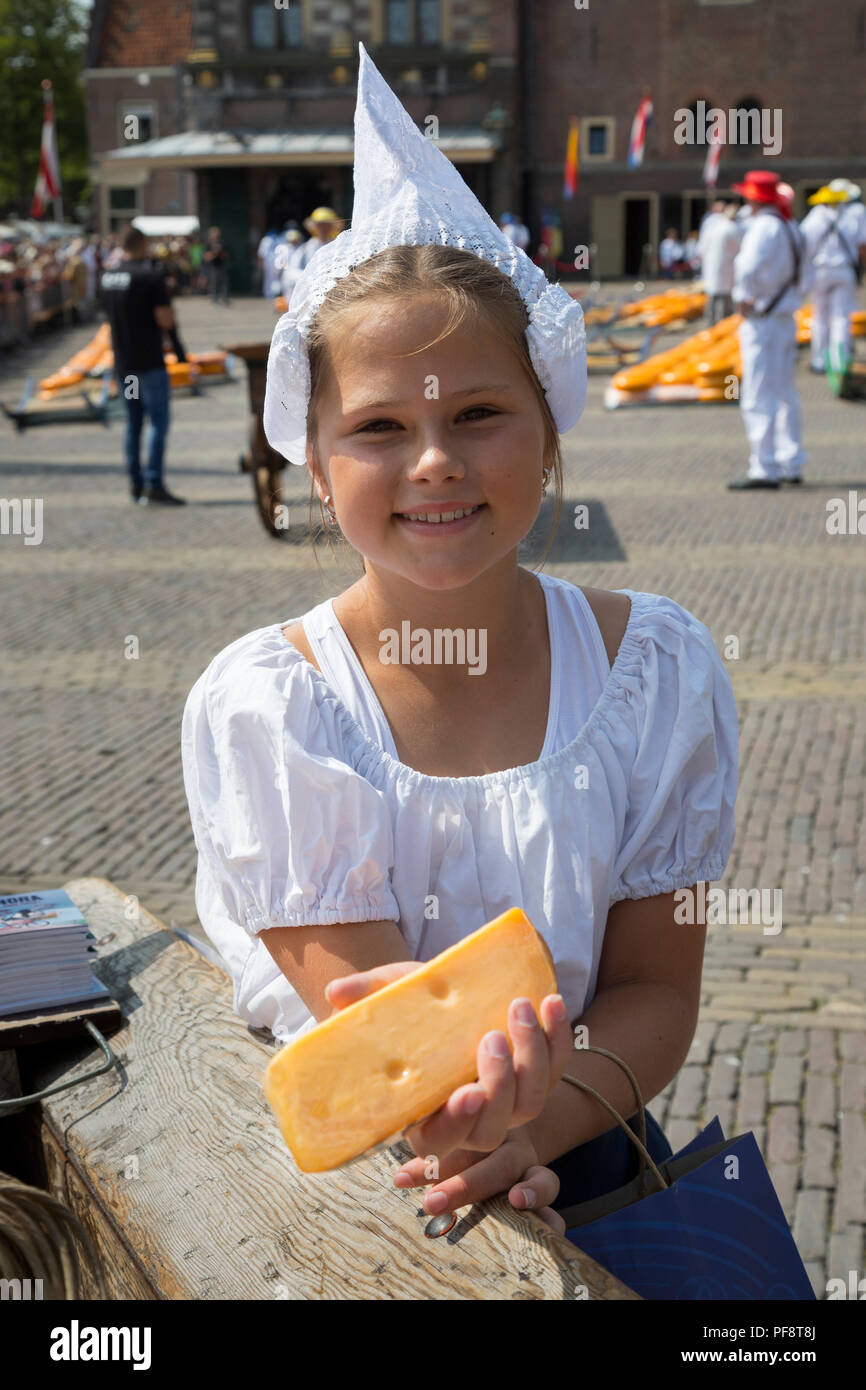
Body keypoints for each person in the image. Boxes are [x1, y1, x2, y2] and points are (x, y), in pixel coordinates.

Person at [182, 46, 737, 1233]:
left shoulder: (656, 675)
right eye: (378, 425)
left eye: (477, 412)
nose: (433, 460)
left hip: (579, 1149)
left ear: (548, 431)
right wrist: (474, 1118)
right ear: (315, 462)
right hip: (361, 1196)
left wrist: (537, 1127)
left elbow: (653, 986)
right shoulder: (274, 710)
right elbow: (393, 1047)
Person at [728, 169, 806, 490]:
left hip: (762, 319)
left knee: (758, 394)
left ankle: (764, 467)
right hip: (786, 317)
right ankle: (792, 459)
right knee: (785, 392)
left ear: (752, 198)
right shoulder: (792, 228)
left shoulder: (763, 228)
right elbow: (806, 275)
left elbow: (745, 267)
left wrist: (742, 298)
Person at [98, 224, 187, 505]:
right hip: (149, 364)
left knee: (134, 423)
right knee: (158, 423)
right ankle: (154, 483)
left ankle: (135, 483)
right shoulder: (149, 278)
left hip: (126, 367)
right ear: (142, 245)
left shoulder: (108, 278)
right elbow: (165, 320)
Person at [800, 179, 866, 376]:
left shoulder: (815, 216)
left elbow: (803, 245)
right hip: (844, 270)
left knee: (819, 317)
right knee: (841, 317)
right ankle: (840, 362)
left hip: (819, 271)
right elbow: (863, 246)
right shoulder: (855, 215)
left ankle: (819, 360)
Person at [280, 207, 345, 304]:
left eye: (326, 225)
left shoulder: (339, 246)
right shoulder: (306, 248)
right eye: (320, 225)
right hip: (310, 295)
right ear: (314, 227)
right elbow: (291, 272)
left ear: (332, 226)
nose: (323, 228)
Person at [699, 202, 742, 325]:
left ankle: (713, 324)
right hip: (724, 269)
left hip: (716, 268)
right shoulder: (731, 228)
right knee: (723, 302)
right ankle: (719, 326)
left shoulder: (716, 225)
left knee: (714, 298)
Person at [204, 226, 230, 304]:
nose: (215, 234)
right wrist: (214, 253)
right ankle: (214, 299)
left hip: (221, 265)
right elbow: (206, 256)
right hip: (213, 266)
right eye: (214, 232)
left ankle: (225, 299)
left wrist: (220, 253)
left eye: (217, 232)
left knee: (224, 283)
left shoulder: (223, 243)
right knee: (214, 283)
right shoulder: (209, 244)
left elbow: (227, 255)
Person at [257, 226, 282, 298]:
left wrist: (260, 263)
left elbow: (261, 253)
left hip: (268, 262)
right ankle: (276, 294)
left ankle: (269, 294)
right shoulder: (279, 239)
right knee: (276, 279)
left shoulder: (266, 240)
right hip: (277, 263)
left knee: (268, 279)